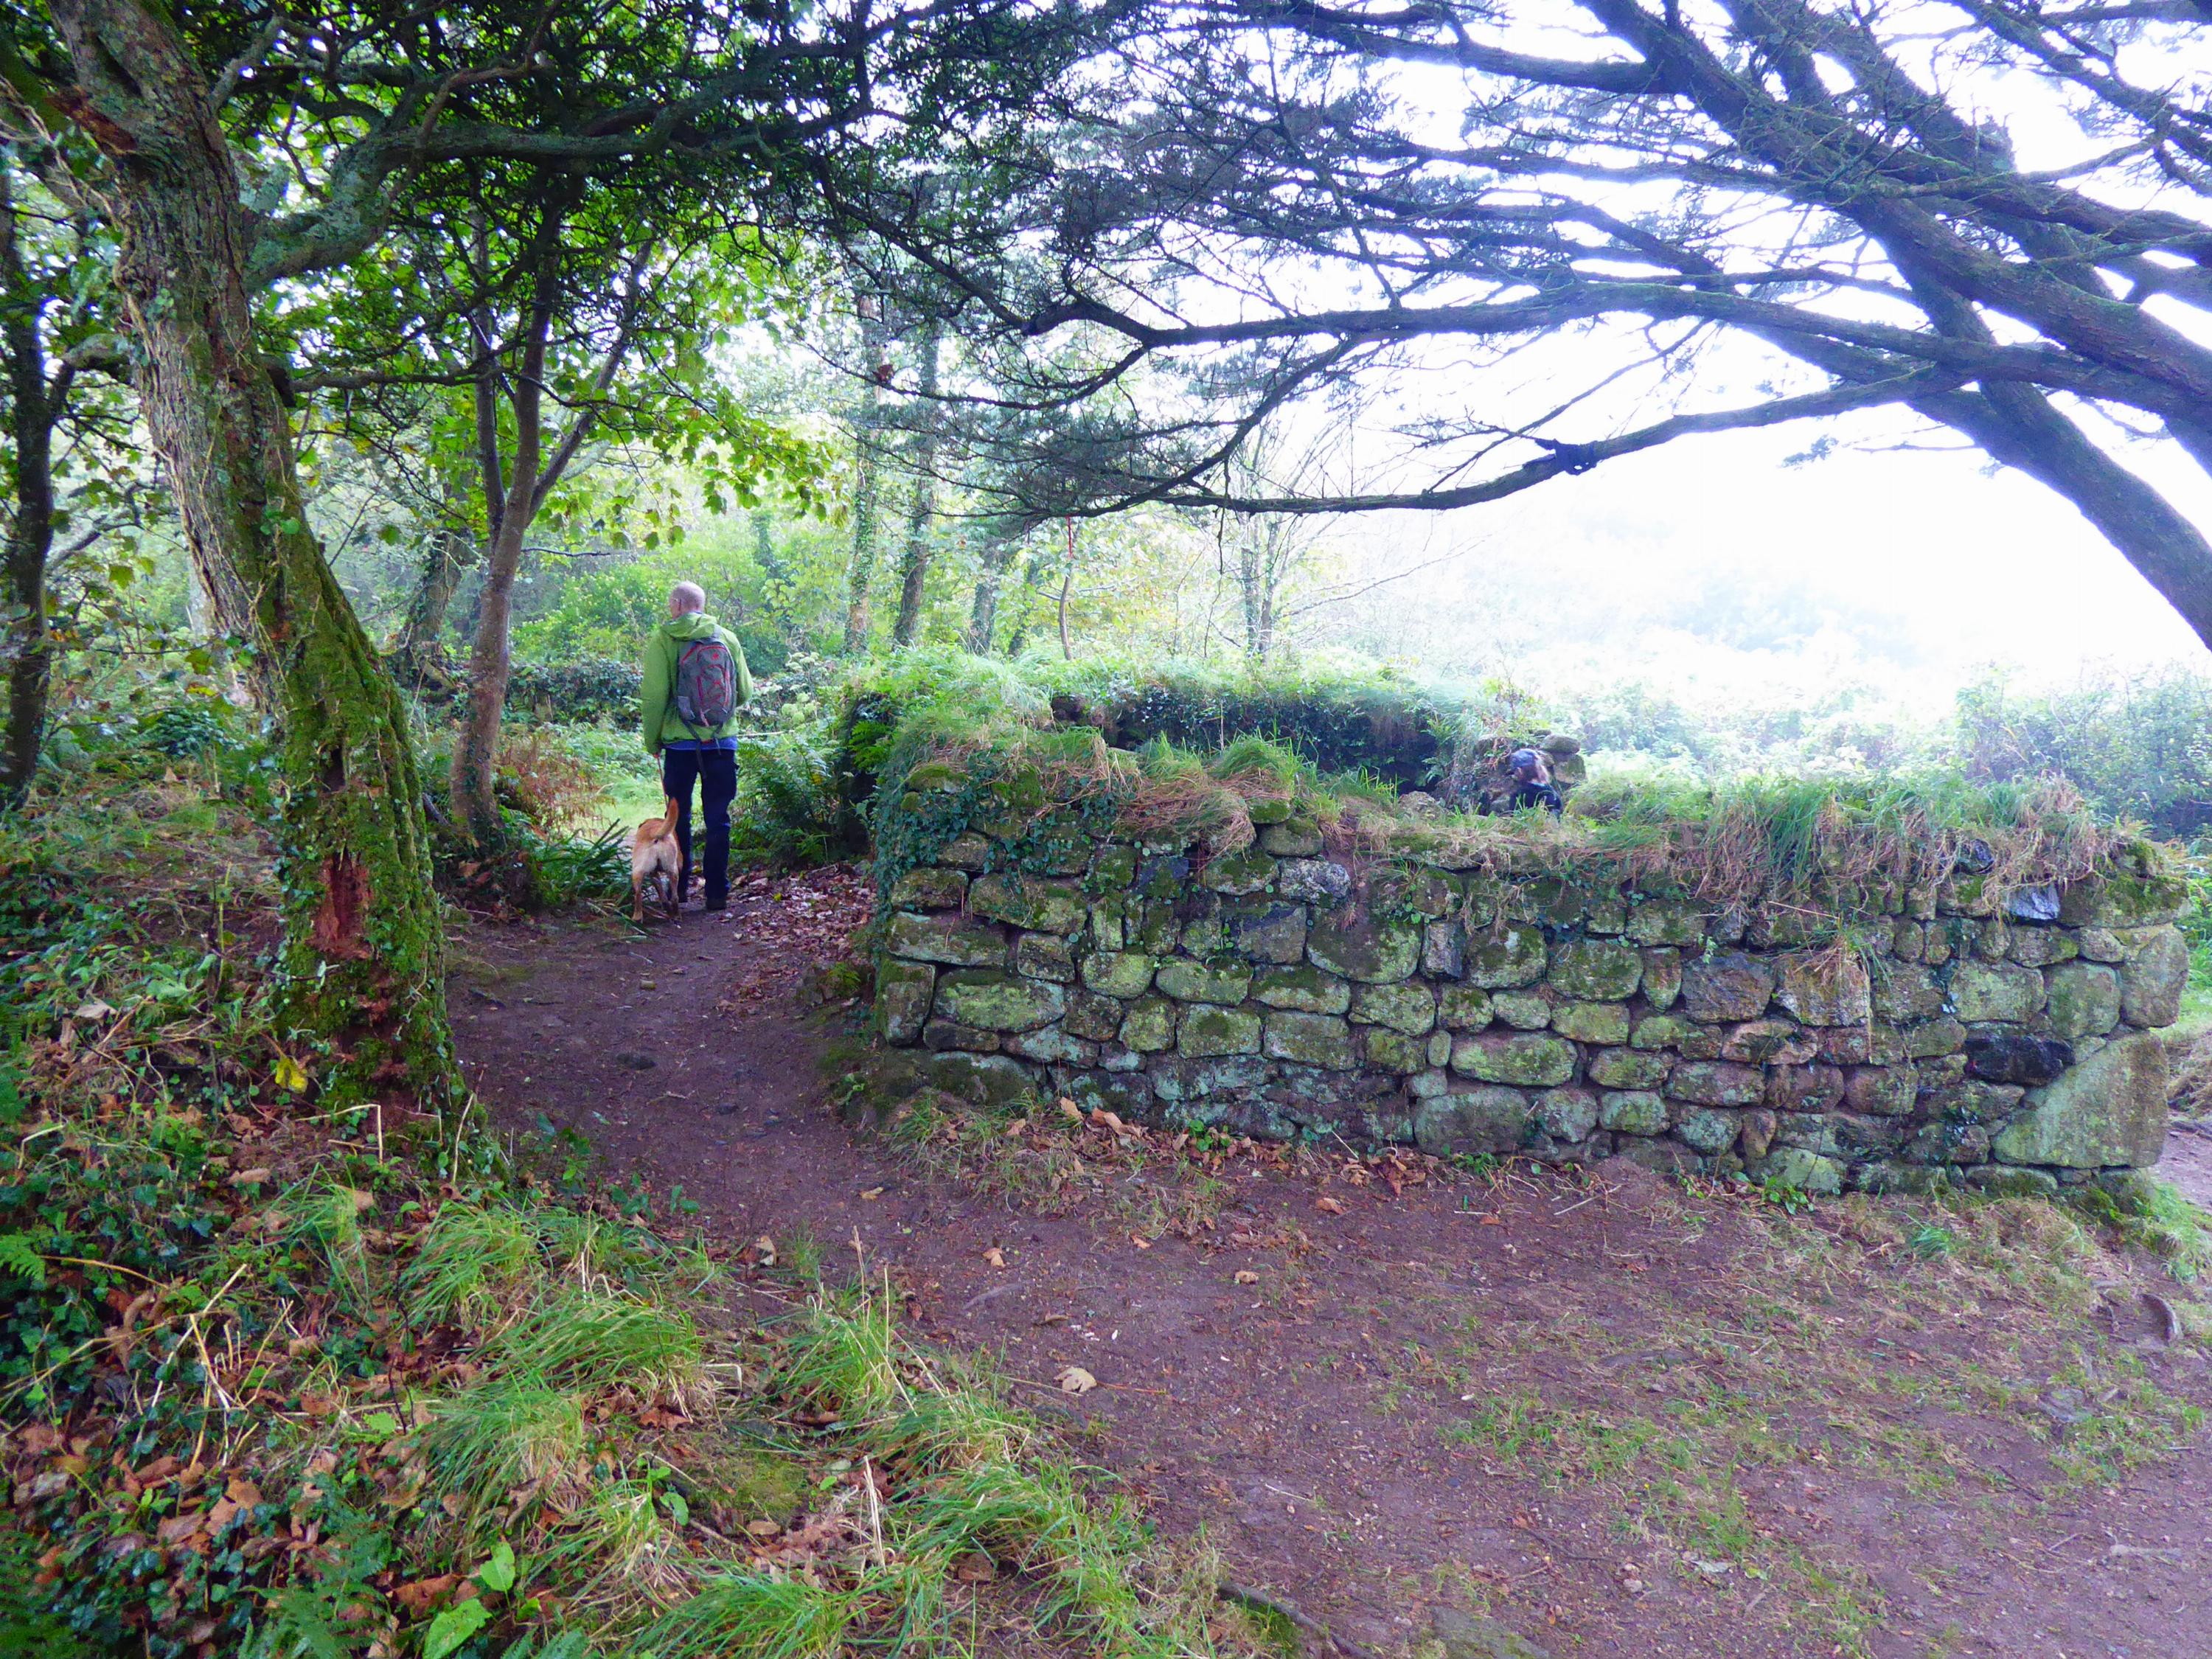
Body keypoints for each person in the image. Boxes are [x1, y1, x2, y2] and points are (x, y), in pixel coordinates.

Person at [639, 582, 751, 911]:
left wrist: (653, 740)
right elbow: (744, 691)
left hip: (679, 747)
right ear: (702, 605)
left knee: (678, 816)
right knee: (719, 818)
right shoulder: (726, 637)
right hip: (721, 743)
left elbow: (654, 697)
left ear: (676, 604)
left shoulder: (664, 639)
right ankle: (717, 893)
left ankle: (681, 889)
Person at [1504, 748, 1564, 815]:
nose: (1515, 775)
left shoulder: (1518, 797)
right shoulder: (1552, 793)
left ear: (1520, 771)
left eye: (1515, 772)